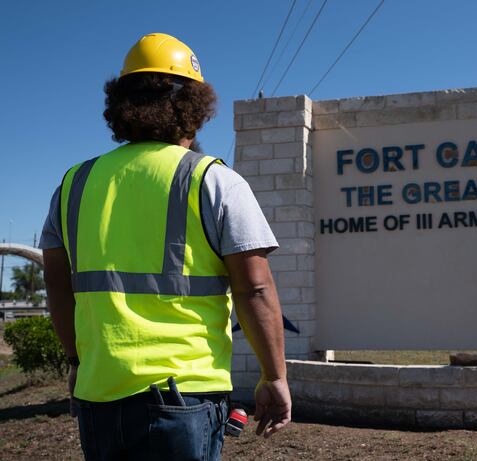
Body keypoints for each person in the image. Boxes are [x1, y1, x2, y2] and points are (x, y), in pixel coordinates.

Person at [39, 32, 291, 460]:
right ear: (193, 106)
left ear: (122, 104)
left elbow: (59, 289)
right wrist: (275, 376)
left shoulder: (74, 185)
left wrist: (77, 363)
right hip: (184, 398)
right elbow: (255, 289)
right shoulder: (214, 180)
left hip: (99, 397)